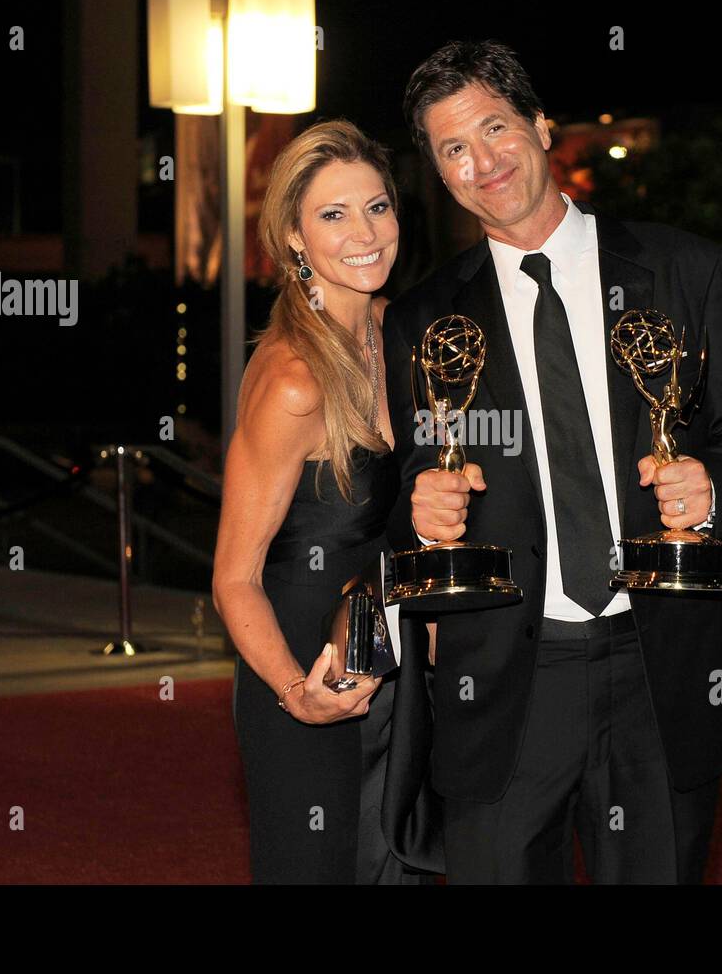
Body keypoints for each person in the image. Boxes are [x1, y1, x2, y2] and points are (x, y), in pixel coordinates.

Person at [383, 41, 722, 883]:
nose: (482, 161)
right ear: (439, 172)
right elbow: (412, 480)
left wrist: (712, 485)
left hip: (660, 663)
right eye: (453, 148)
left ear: (540, 125)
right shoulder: (423, 316)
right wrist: (420, 509)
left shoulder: (685, 271)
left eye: (495, 129)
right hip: (502, 681)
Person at [213, 118, 439, 884]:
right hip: (303, 663)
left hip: (384, 644)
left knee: (392, 861)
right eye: (334, 215)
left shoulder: (394, 332)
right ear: (294, 239)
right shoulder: (293, 380)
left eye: (378, 207)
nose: (365, 233)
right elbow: (233, 577)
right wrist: (292, 694)